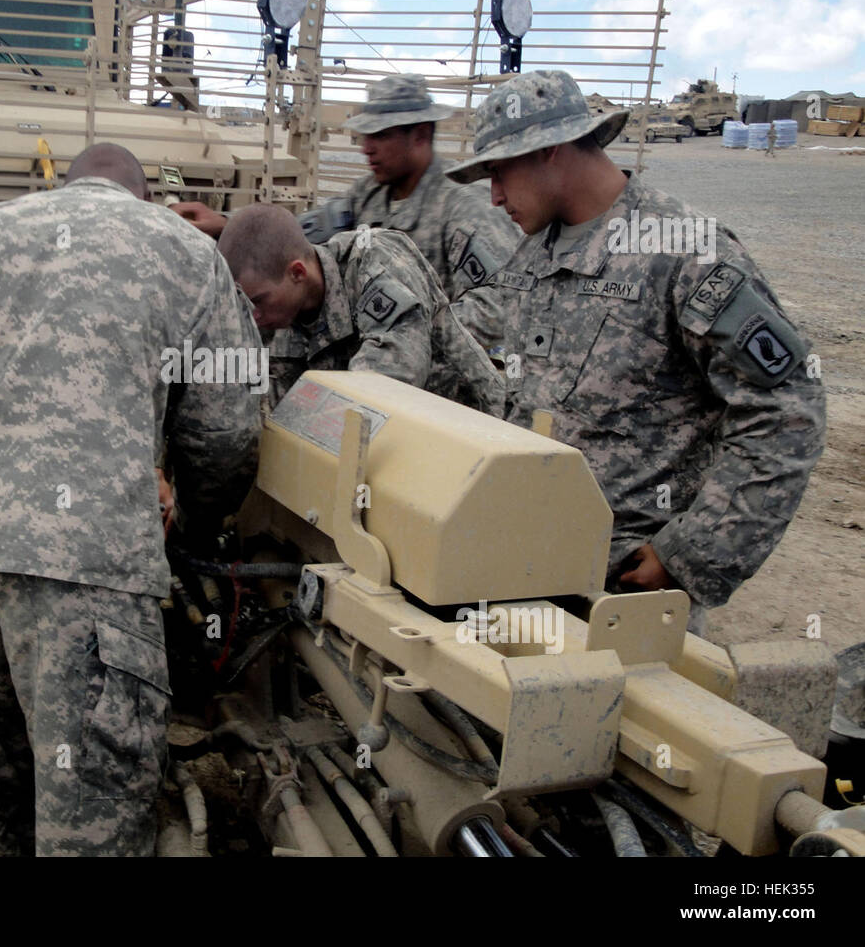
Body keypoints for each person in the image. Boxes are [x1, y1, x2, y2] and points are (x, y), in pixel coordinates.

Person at [0, 143, 262, 856]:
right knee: (88, 827)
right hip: (89, 577)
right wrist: (191, 522)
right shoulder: (185, 253)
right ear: (142, 194)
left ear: (66, 186)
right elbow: (224, 434)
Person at [445, 70, 825, 632]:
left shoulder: (685, 253)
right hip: (525, 565)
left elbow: (787, 411)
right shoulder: (530, 257)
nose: (495, 196)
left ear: (550, 150)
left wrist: (691, 554)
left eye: (499, 173)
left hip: (624, 590)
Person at [171, 74, 521, 353]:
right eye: (366, 136)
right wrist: (227, 224)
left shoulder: (461, 208)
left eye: (381, 136)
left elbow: (501, 305)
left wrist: (405, 325)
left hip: (438, 398)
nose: (367, 148)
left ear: (420, 134)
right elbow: (304, 229)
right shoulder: (370, 195)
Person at [216, 202, 504, 414]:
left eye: (258, 301)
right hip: (384, 451)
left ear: (298, 273)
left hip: (466, 433)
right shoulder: (277, 311)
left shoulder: (375, 265)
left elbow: (384, 387)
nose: (253, 316)